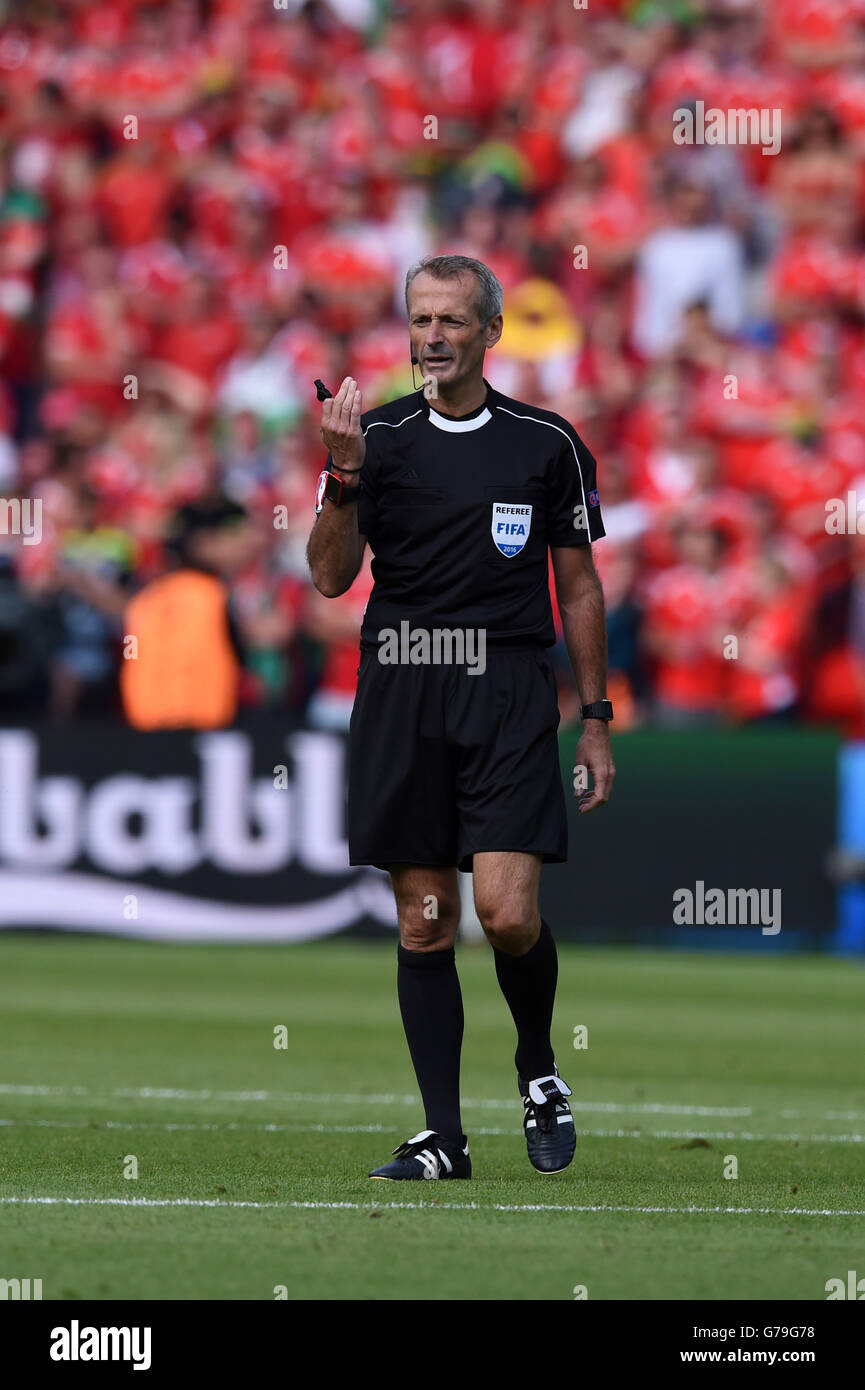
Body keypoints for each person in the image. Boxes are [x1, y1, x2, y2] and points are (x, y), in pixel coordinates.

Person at [307, 255, 614, 1181]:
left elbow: (581, 585)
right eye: (418, 319)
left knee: (507, 914)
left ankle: (538, 1069)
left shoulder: (545, 443)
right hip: (403, 685)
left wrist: (594, 718)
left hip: (508, 686)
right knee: (425, 920)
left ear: (490, 331)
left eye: (449, 320)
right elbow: (326, 576)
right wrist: (343, 473)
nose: (430, 335)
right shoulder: (374, 437)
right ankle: (443, 1134)